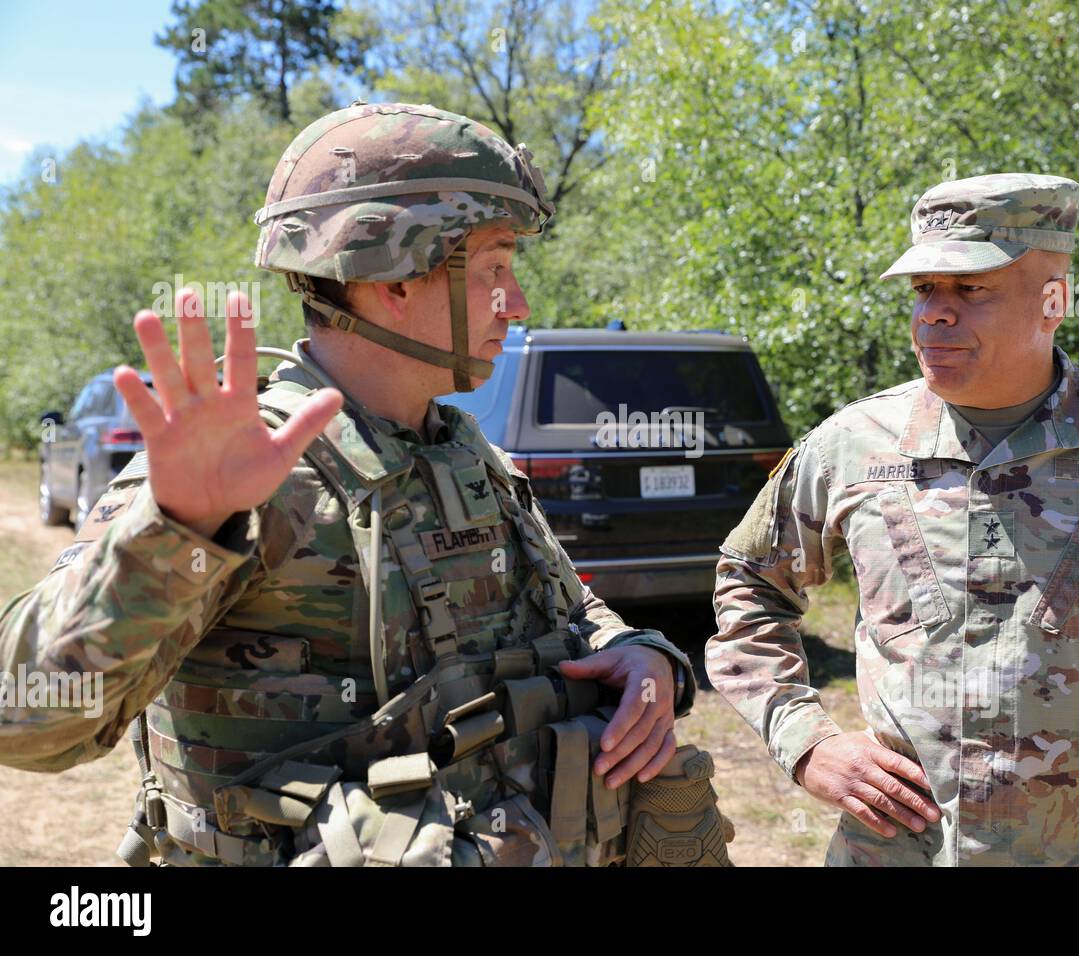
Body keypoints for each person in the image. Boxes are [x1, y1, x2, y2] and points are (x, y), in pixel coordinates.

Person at [0, 102, 731, 867]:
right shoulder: (256, 469)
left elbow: (567, 609)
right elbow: (27, 720)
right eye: (493, 268)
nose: (516, 302)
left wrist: (644, 653)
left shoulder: (462, 447)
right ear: (395, 276)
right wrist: (179, 527)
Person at [707, 173, 1079, 866]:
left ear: (1055, 298)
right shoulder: (853, 443)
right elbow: (748, 584)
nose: (934, 314)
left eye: (970, 289)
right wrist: (807, 738)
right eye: (924, 289)